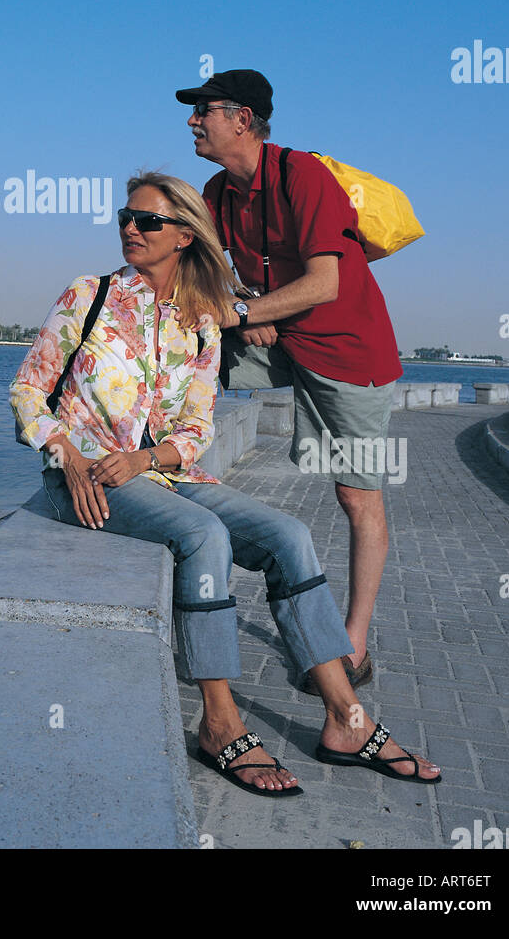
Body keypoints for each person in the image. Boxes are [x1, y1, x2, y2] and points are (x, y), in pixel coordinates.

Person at [10, 171, 439, 793]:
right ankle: (220, 721)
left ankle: (347, 718)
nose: (131, 229)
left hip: (162, 471)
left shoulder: (203, 320)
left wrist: (150, 456)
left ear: (184, 234)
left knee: (289, 535)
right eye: (124, 219)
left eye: (148, 221)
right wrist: (66, 453)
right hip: (86, 476)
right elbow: (28, 388)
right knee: (204, 535)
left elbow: (196, 427)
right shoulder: (90, 295)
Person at [175, 68, 403, 692]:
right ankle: (152, 468)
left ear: (242, 119)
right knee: (191, 348)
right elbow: (210, 271)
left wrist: (246, 311)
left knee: (357, 496)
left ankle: (352, 645)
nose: (193, 121)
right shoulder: (217, 190)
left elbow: (325, 283)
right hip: (284, 339)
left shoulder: (302, 175)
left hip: (348, 353)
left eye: (204, 111)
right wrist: (245, 306)